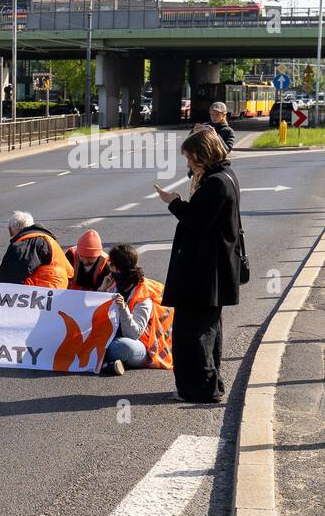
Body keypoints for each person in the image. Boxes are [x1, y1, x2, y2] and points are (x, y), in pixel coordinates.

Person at [155, 127, 241, 403]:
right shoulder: (225, 176)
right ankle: (209, 384)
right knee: (207, 330)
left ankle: (201, 389)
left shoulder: (216, 182)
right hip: (212, 270)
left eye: (191, 157)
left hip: (204, 271)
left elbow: (199, 222)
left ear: (203, 154)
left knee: (192, 333)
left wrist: (175, 203)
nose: (189, 164)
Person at [99, 243, 174, 376]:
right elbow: (94, 315)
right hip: (112, 335)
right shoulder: (113, 285)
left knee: (120, 346)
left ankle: (103, 362)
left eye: (111, 264)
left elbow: (133, 334)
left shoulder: (143, 297)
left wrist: (123, 309)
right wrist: (102, 289)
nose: (108, 267)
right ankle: (108, 365)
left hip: (143, 346)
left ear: (119, 268)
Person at [0, 210, 73, 289]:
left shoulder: (26, 243)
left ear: (10, 231)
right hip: (60, 284)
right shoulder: (48, 239)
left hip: (44, 290)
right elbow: (69, 271)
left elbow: (11, 275)